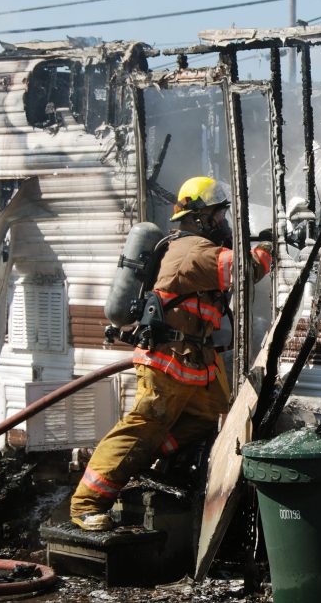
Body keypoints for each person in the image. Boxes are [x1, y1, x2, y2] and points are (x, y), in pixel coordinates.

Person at [70, 176, 272, 531]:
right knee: (141, 429)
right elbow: (243, 270)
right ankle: (86, 503)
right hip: (169, 362)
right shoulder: (192, 251)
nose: (222, 223)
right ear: (198, 218)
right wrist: (269, 248)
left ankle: (146, 457)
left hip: (194, 363)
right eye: (217, 216)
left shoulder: (195, 247)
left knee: (211, 418)